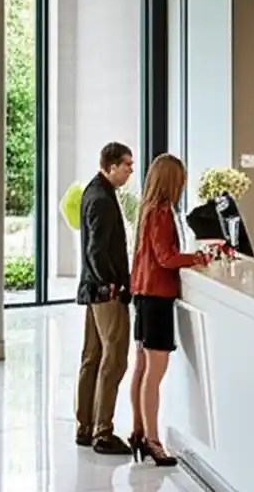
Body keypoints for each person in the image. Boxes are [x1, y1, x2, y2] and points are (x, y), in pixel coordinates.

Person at [129, 154, 210, 467]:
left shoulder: (146, 210)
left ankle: (138, 431)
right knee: (155, 372)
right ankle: (153, 440)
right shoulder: (162, 213)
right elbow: (165, 257)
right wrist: (196, 258)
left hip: (143, 295)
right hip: (157, 297)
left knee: (141, 367)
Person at [75, 142, 136, 455]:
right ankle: (103, 430)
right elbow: (96, 250)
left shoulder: (94, 191)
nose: (130, 170)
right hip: (105, 293)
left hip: (92, 290)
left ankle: (85, 426)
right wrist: (112, 284)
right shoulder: (101, 198)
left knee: (93, 357)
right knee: (114, 359)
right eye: (127, 164)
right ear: (111, 165)